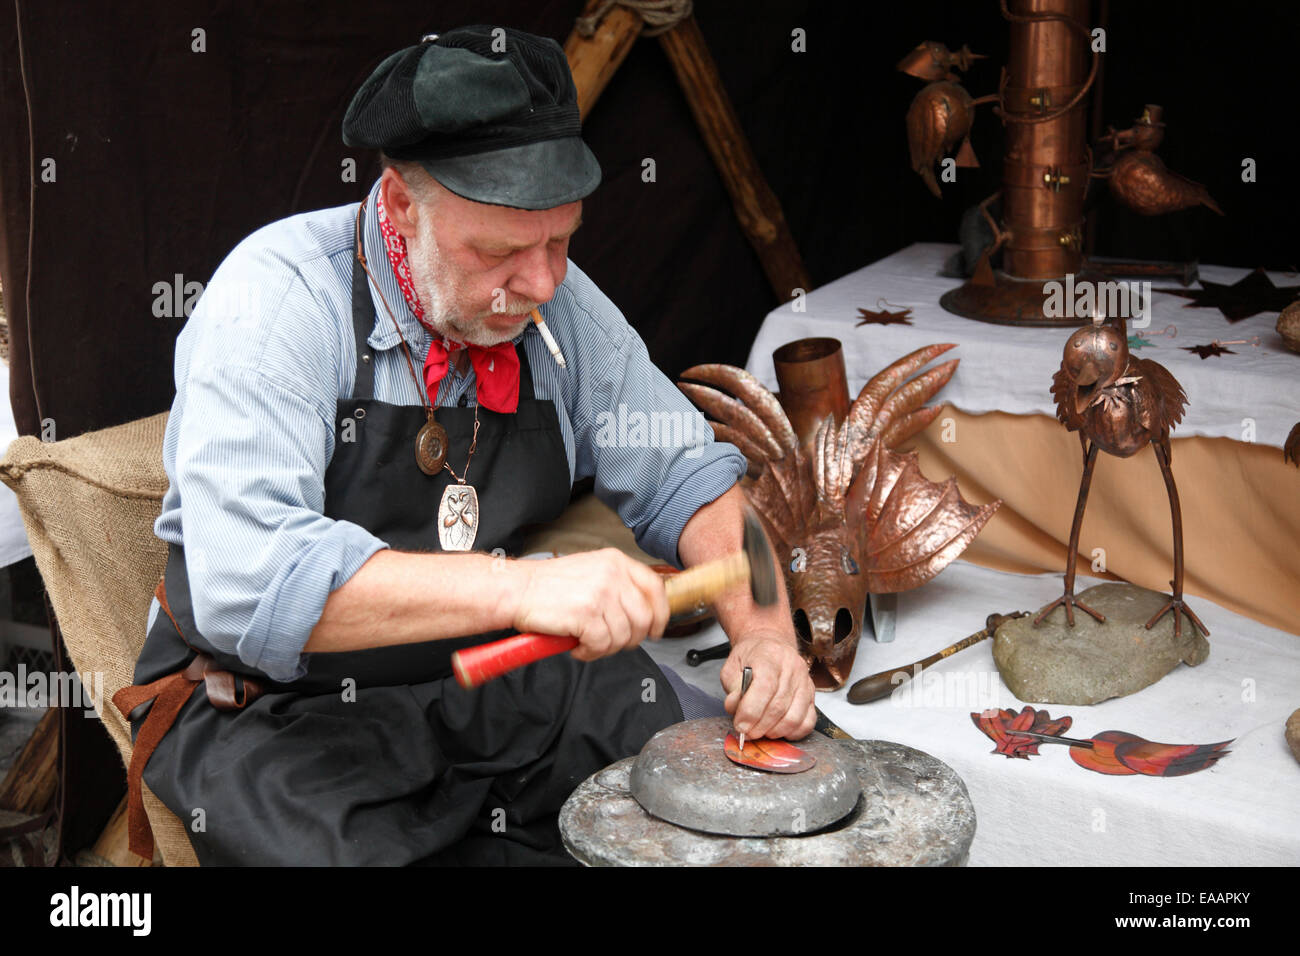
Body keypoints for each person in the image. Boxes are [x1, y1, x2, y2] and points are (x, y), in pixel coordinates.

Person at [120, 25, 814, 866]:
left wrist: (768, 635)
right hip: (277, 713)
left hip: (482, 677)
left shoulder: (558, 309)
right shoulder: (276, 304)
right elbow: (249, 580)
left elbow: (695, 482)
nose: (543, 283)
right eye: (499, 250)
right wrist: (520, 589)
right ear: (402, 203)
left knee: (728, 792)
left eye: (561, 240)